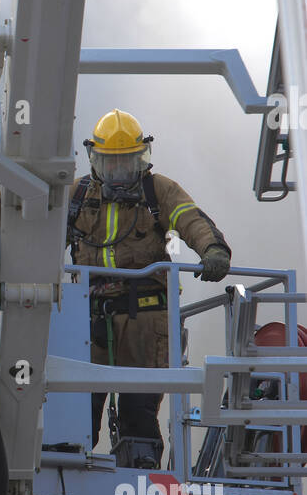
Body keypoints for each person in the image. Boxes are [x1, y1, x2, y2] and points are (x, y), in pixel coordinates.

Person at [66, 108, 231, 465]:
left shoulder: (159, 191)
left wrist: (212, 250)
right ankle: (68, 468)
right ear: (95, 160)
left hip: (147, 319)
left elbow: (191, 219)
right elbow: (35, 232)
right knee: (75, 404)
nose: (118, 173)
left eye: (126, 163)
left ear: (141, 158)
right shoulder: (76, 195)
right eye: (110, 163)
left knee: (138, 409)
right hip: (89, 320)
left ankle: (139, 474)